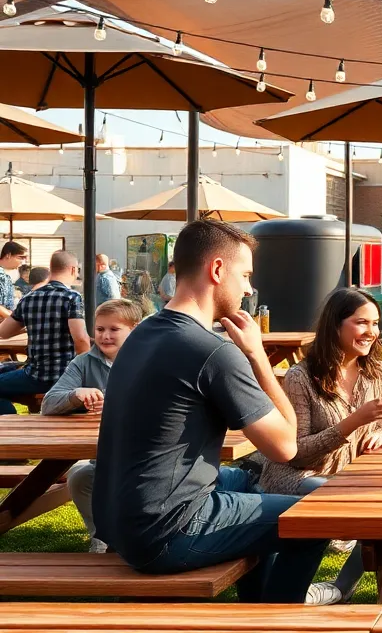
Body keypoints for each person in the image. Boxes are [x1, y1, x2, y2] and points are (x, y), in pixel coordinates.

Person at [92, 219, 329, 603]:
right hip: (165, 532)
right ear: (217, 270)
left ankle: (253, 604)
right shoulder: (212, 351)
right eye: (246, 275)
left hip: (119, 519)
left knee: (247, 481)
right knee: (315, 518)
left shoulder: (143, 335)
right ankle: (273, 621)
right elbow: (286, 446)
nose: (249, 288)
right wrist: (256, 355)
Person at [259, 287, 382, 605]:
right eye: (362, 323)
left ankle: (341, 588)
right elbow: (295, 452)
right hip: (295, 476)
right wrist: (353, 422)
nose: (372, 332)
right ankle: (286, 596)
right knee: (346, 499)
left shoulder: (375, 372)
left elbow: (381, 427)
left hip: (345, 478)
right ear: (336, 324)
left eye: (376, 324)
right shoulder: (300, 377)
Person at [42, 299, 142, 553]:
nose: (105, 336)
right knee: (80, 476)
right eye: (99, 330)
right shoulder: (83, 362)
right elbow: (48, 404)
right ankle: (102, 535)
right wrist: (76, 394)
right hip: (102, 452)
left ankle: (138, 536)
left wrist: (117, 403)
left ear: (135, 329)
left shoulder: (149, 361)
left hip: (145, 453)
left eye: (114, 329)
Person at [0, 251, 90, 414]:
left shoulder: (29, 298)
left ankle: (8, 419)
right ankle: (9, 423)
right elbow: (81, 340)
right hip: (65, 377)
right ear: (73, 270)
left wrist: (34, 321)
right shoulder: (72, 297)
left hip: (35, 376)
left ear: (51, 270)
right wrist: (86, 375)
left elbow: (4, 332)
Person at [0, 241, 29, 320]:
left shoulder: (7, 276)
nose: (23, 262)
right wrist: (13, 320)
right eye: (21, 257)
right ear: (8, 255)